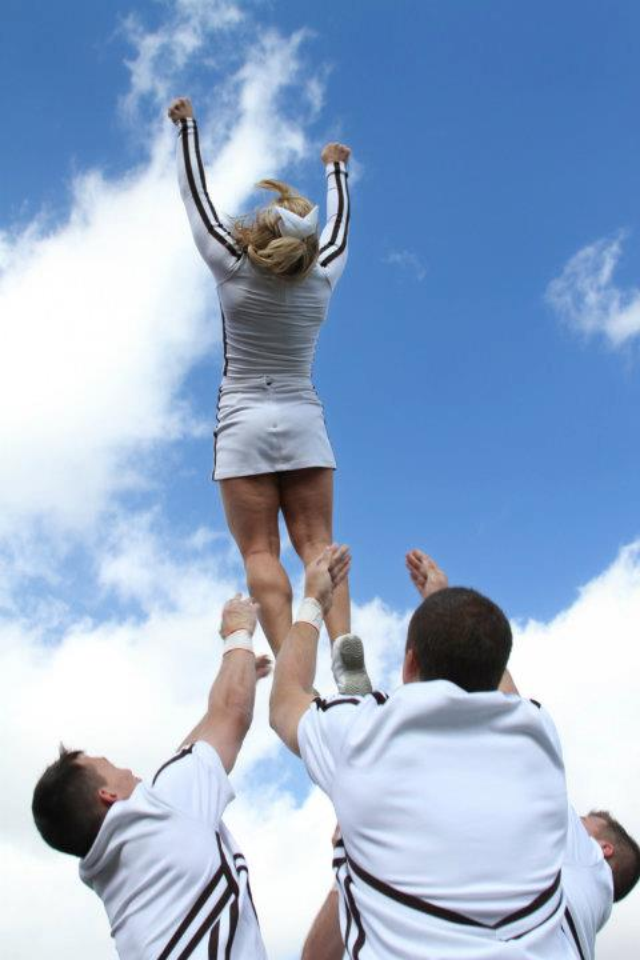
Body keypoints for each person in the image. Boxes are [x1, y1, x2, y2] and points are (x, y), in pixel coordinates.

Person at [301, 549, 640, 959]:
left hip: (408, 784)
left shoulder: (588, 870)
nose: (570, 815)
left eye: (586, 821)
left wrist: (444, 612)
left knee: (373, 760)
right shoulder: (554, 897)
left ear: (603, 850)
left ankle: (360, 697)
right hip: (427, 876)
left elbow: (509, 705)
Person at [167, 96, 367, 694]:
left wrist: (186, 127)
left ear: (263, 229)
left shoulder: (231, 267)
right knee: (318, 546)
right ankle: (344, 651)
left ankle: (296, 679)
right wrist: (335, 168)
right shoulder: (323, 275)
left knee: (261, 552)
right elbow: (341, 226)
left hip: (244, 422)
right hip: (304, 420)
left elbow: (196, 200)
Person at [32, 595, 270, 959]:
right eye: (110, 764)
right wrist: (237, 632)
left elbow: (186, 762)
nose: (127, 768)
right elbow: (231, 714)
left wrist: (241, 675)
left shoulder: (113, 873)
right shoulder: (166, 811)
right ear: (108, 795)